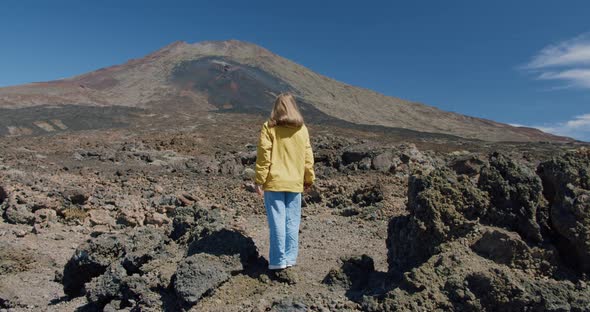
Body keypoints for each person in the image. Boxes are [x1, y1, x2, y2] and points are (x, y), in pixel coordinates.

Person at [254, 93, 315, 271]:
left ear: (277, 107)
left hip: (275, 183)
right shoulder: (302, 129)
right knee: (292, 222)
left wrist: (259, 180)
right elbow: (308, 156)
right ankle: (290, 258)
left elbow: (264, 156)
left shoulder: (269, 127)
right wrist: (308, 178)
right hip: (295, 183)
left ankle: (277, 260)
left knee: (277, 222)